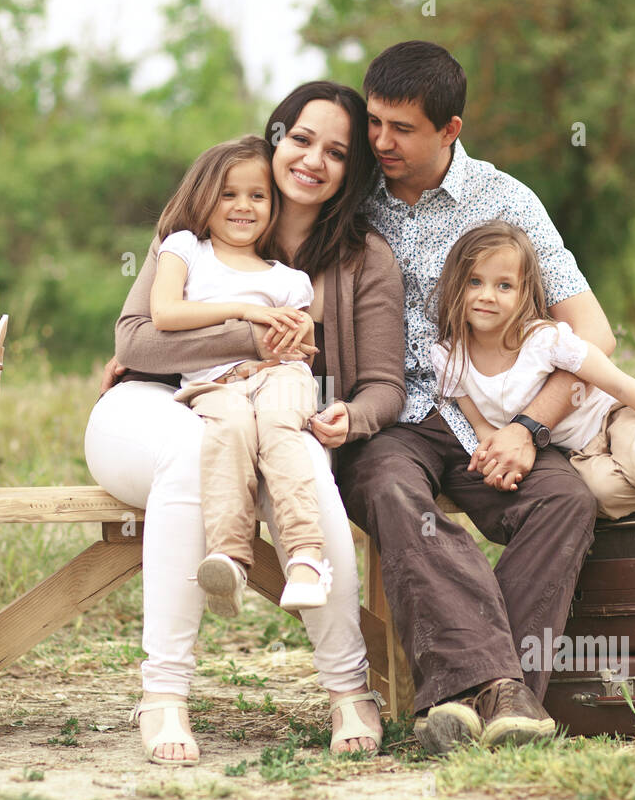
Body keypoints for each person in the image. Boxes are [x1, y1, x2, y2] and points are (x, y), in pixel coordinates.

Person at [85, 82, 405, 765]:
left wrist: (354, 414)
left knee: (311, 481)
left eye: (338, 151)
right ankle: (164, 694)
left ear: (354, 171)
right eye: (301, 139)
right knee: (193, 451)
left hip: (282, 417)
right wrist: (246, 339)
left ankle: (349, 690)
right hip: (154, 407)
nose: (314, 159)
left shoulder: (361, 258)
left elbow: (383, 383)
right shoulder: (194, 234)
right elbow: (139, 341)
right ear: (276, 137)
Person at [336, 40, 614, 754]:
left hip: (490, 411)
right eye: (374, 122)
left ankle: (462, 701)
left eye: (402, 129)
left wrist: (527, 428)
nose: (380, 142)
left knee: (564, 500)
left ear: (450, 129)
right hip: (390, 414)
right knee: (395, 492)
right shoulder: (349, 195)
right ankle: (502, 694)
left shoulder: (506, 200)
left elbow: (594, 336)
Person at [431, 220, 635, 522]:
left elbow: (622, 386)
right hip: (575, 450)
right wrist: (498, 467)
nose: (487, 296)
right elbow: (482, 427)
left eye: (504, 286)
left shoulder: (545, 340)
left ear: (523, 294)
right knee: (600, 497)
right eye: (475, 281)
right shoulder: (449, 358)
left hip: (612, 418)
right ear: (456, 285)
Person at [150, 135, 334, 615]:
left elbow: (303, 350)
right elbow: (165, 313)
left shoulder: (288, 279)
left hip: (279, 376)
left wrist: (298, 332)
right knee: (229, 430)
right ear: (204, 198)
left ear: (274, 206)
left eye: (258, 196)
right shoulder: (185, 247)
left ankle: (306, 559)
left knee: (278, 428)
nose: (243, 206)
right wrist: (243, 313)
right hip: (218, 383)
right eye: (228, 194)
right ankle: (229, 560)